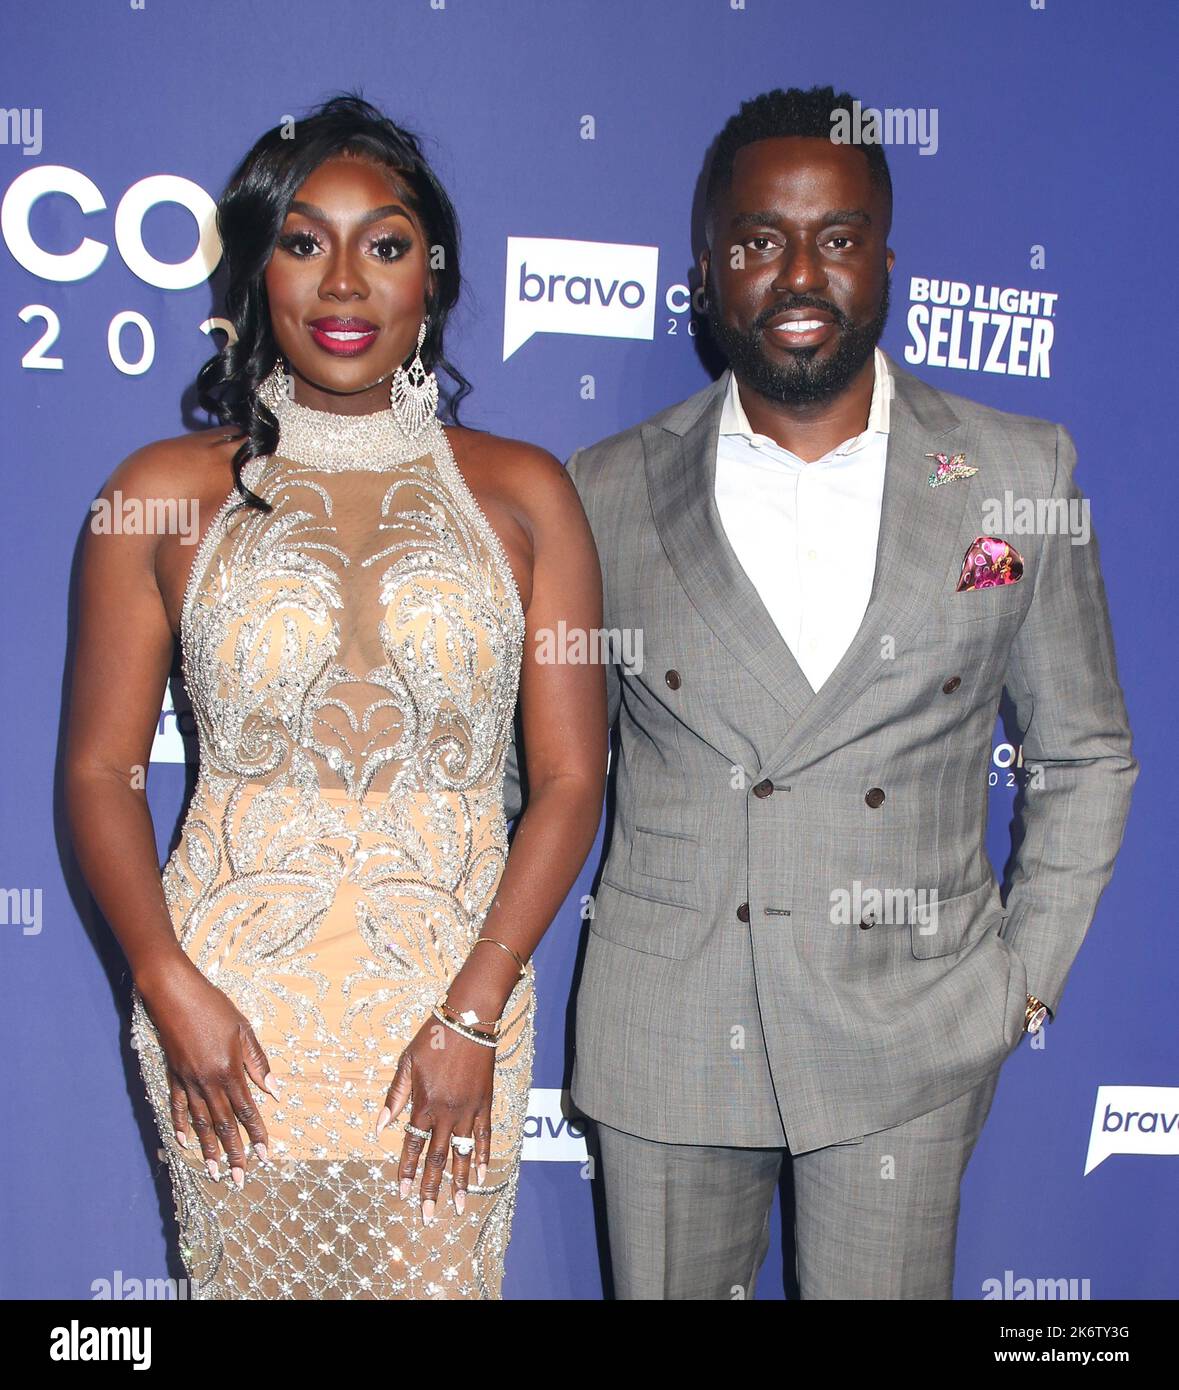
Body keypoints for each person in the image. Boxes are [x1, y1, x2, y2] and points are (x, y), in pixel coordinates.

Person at [503, 85, 1138, 1298]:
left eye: (837, 238)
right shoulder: (604, 488)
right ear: (706, 274)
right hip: (670, 1032)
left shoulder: (1016, 471)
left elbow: (1086, 752)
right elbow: (542, 770)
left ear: (885, 263)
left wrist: (1017, 986)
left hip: (911, 1034)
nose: (801, 274)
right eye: (760, 241)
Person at [64, 94, 605, 1300]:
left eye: (387, 244)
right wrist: (164, 979)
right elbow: (99, 771)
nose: (345, 282)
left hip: (451, 1006)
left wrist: (474, 1009)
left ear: (433, 273)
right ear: (258, 269)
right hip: (228, 1012)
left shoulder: (526, 494)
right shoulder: (158, 493)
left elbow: (573, 780)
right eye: (305, 242)